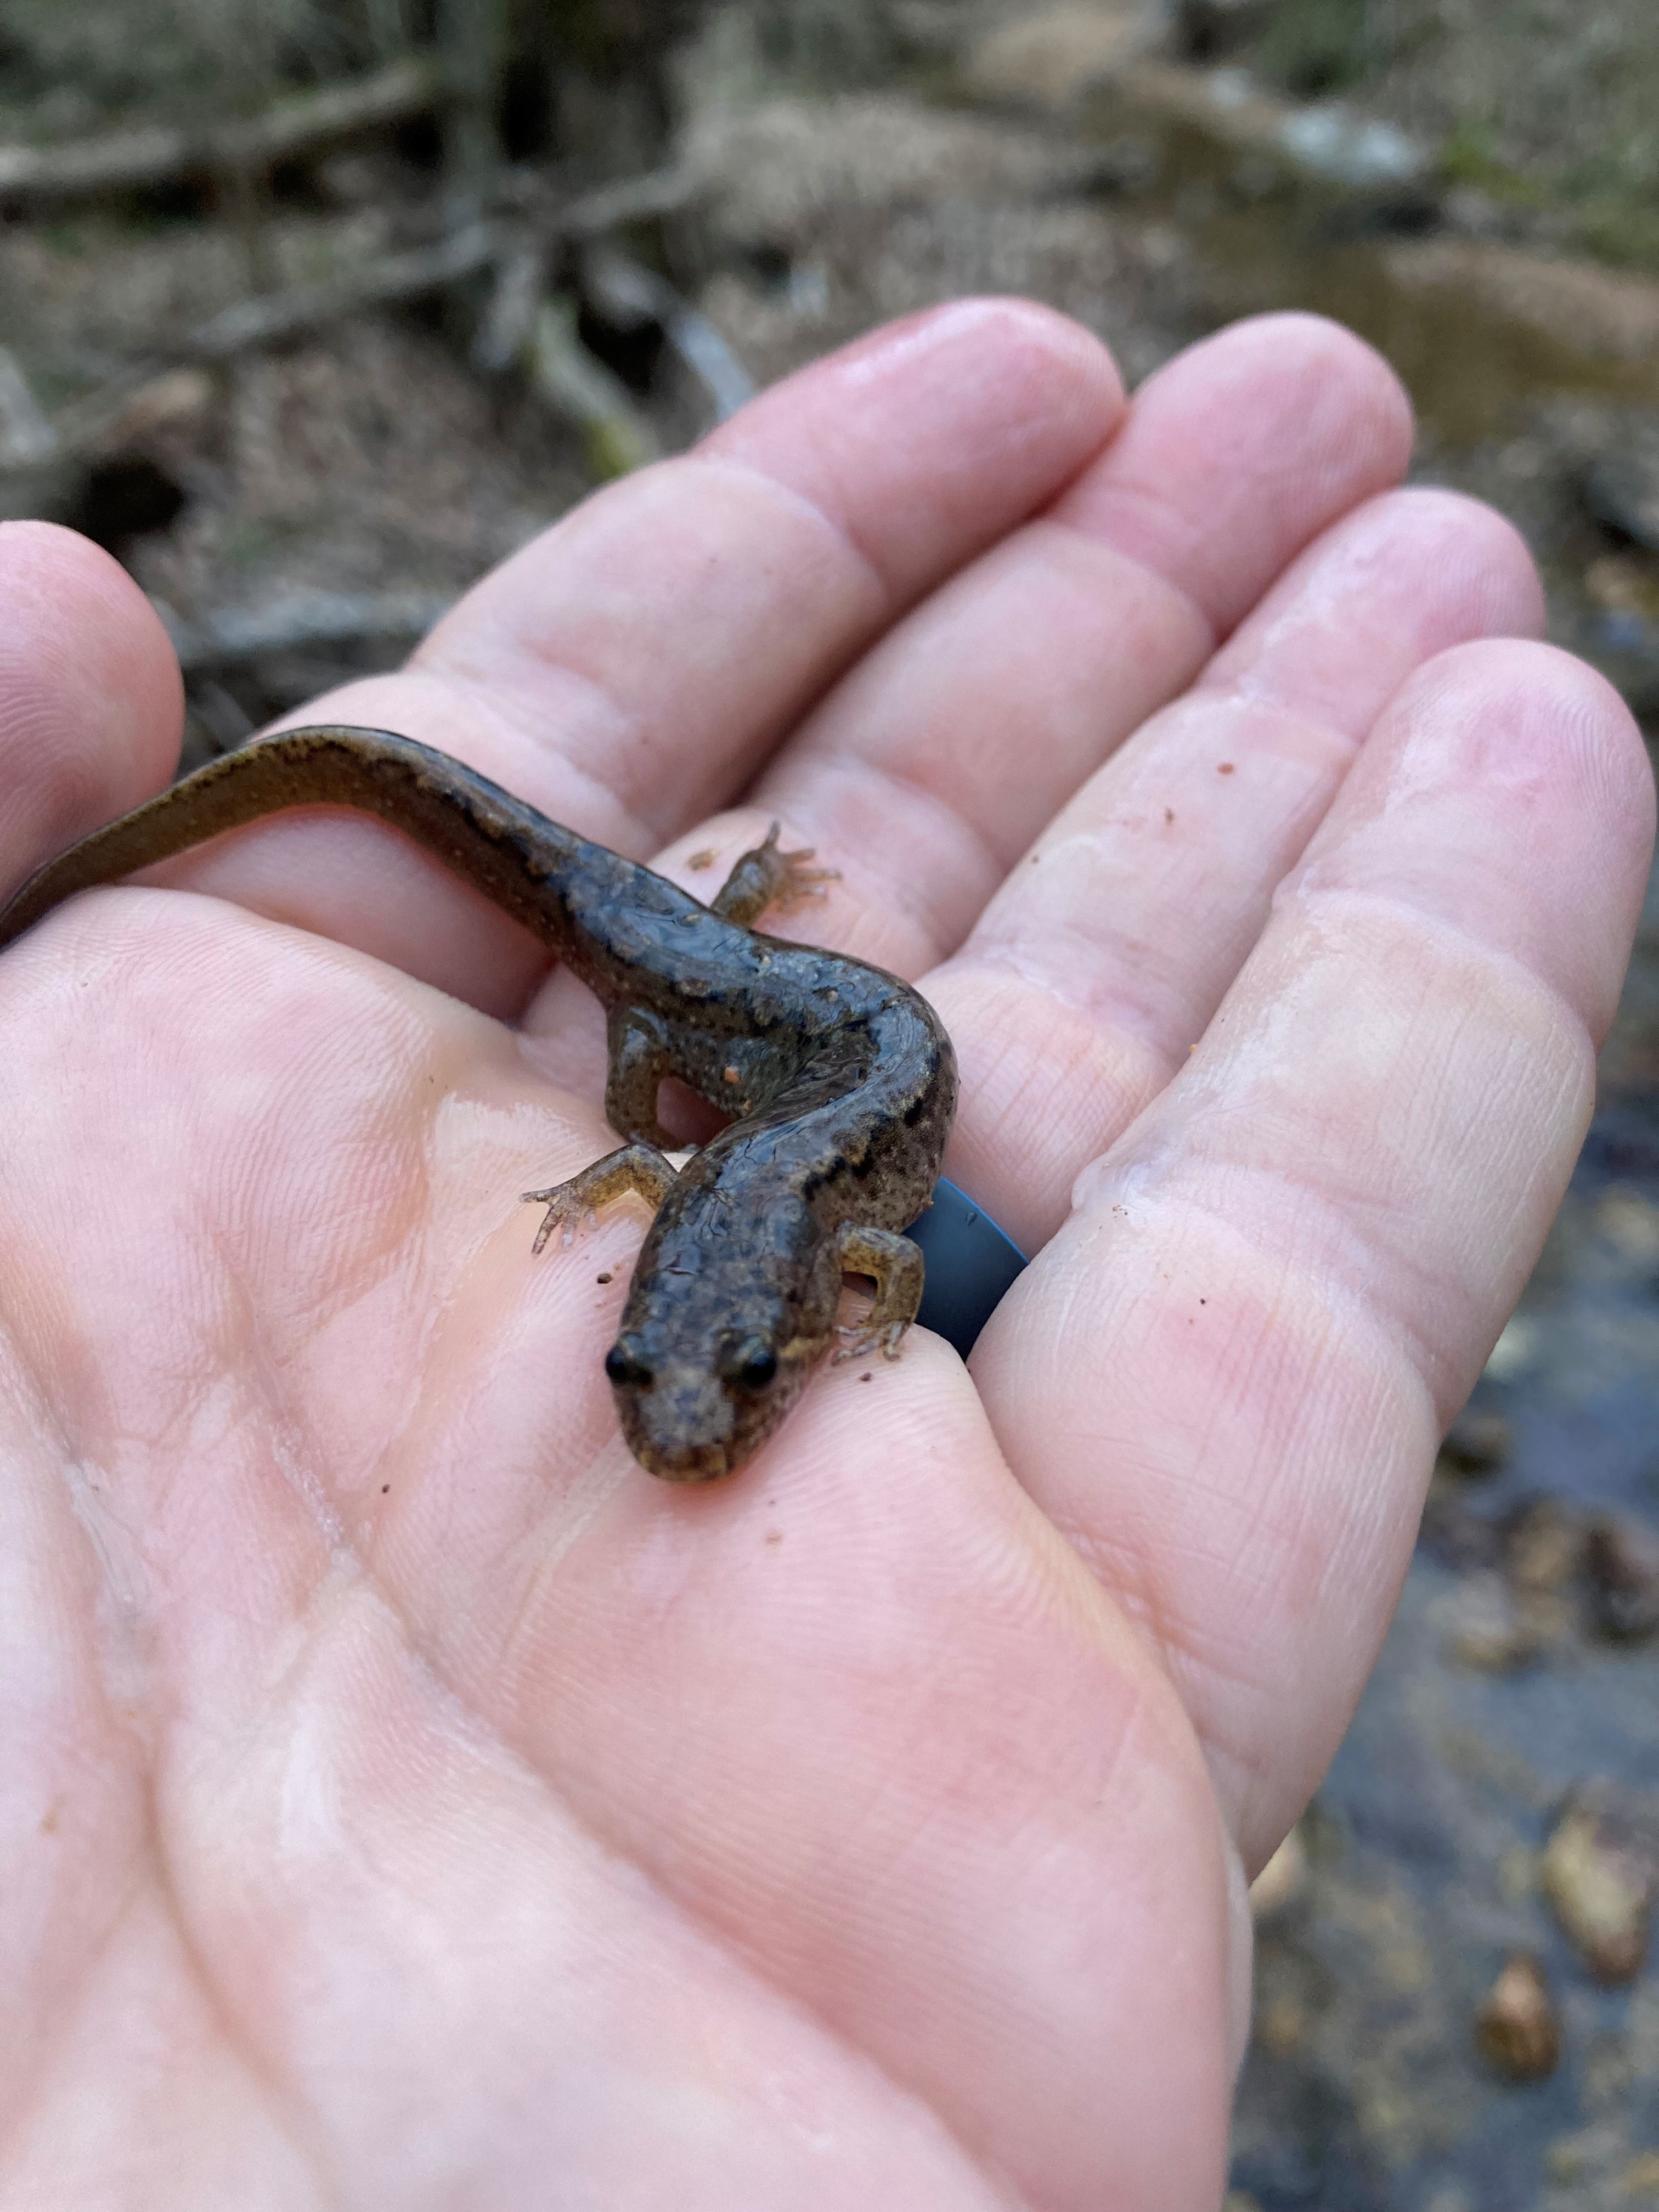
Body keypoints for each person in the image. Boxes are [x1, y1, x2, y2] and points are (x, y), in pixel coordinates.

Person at [1, 298, 1647, 2208]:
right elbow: (683, 1185)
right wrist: (651, 1190)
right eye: (659, 1380)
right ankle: (676, 914)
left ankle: (718, 920)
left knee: (667, 986)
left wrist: (771, 1248)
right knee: (650, 981)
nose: (679, 1423)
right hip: (696, 987)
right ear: (662, 1285)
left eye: (717, 1378)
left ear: (755, 1275)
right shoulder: (727, 1204)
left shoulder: (805, 1218)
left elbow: (800, 1244)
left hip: (758, 1010)